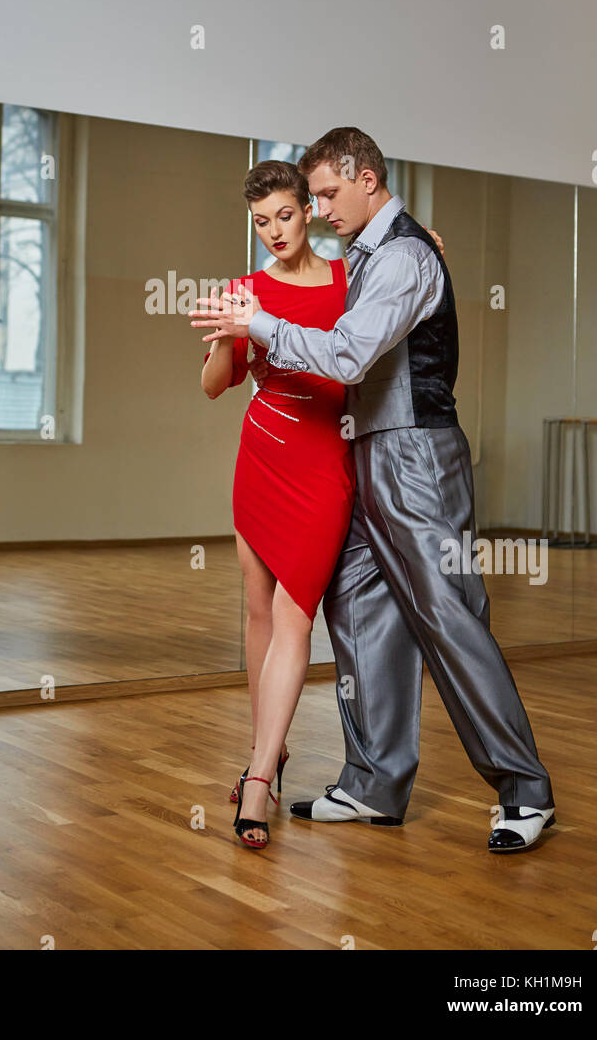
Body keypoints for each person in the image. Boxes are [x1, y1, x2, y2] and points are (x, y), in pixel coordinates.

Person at [192, 127, 556, 854]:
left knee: (447, 616)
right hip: (362, 453)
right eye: (312, 197)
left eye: (326, 194)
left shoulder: (402, 255)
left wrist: (257, 321)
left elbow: (353, 351)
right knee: (362, 612)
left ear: (365, 179)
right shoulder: (381, 254)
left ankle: (525, 788)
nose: (320, 209)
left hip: (416, 452)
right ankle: (373, 781)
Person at [201, 160, 356, 849]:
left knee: (298, 615)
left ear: (309, 211)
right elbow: (214, 386)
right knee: (261, 612)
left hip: (326, 459)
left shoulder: (350, 282)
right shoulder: (244, 290)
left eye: (285, 216)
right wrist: (230, 337)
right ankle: (271, 749)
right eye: (261, 222)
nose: (274, 232)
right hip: (261, 455)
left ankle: (257, 778)